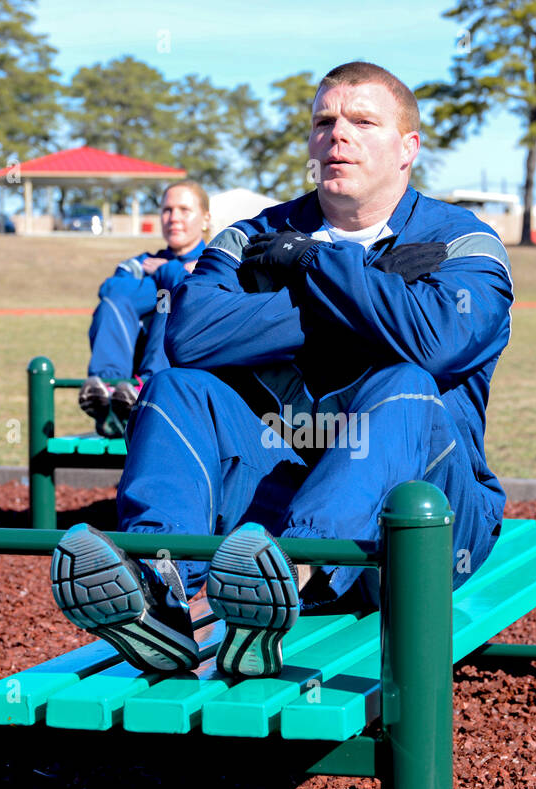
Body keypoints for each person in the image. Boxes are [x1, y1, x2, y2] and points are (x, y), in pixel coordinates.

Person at [50, 61, 512, 679]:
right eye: (324, 121)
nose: (337, 135)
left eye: (362, 121)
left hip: (428, 521)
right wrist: (363, 301)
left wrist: (318, 266)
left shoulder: (462, 239)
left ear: (408, 149)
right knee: (177, 387)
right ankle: (161, 586)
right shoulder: (255, 235)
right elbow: (189, 335)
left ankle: (280, 583)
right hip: (275, 500)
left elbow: (434, 340)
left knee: (403, 383)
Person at [78, 179, 210, 433]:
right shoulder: (143, 262)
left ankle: (148, 389)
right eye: (167, 210)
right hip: (126, 382)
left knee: (170, 300)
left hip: (188, 379)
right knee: (111, 306)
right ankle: (110, 389)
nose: (173, 218)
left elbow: (197, 294)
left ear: (205, 219)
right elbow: (111, 291)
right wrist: (175, 275)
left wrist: (167, 273)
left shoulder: (215, 261)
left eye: (184, 210)